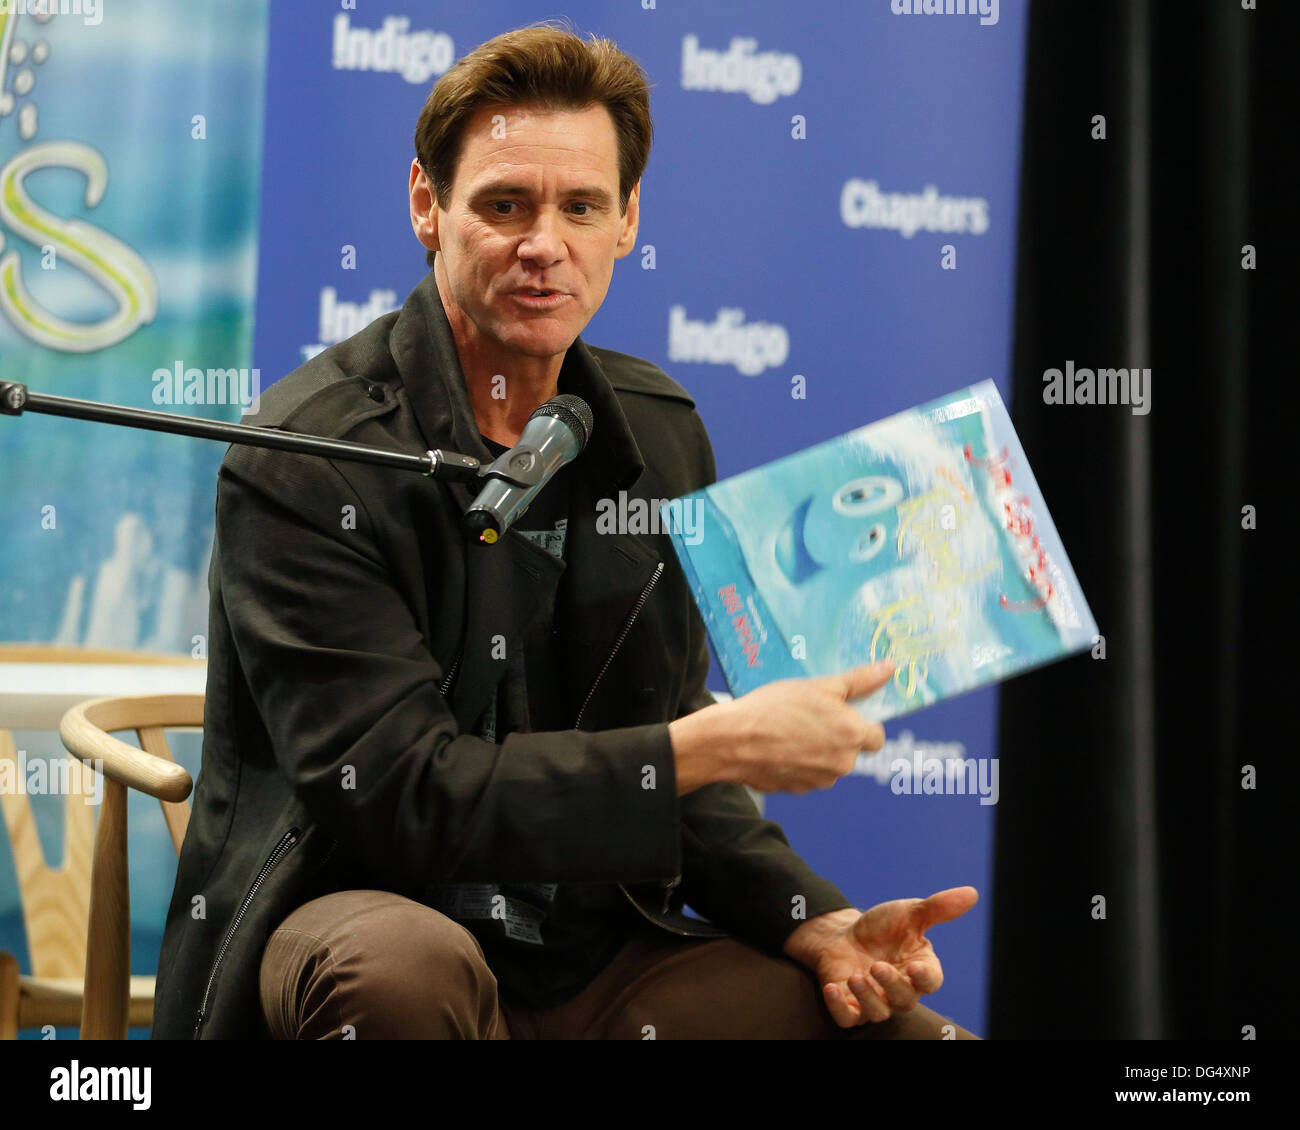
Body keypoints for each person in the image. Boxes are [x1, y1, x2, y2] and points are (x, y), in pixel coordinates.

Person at [151, 22, 980, 1041]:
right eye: (505, 204)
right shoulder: (310, 453)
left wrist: (817, 918)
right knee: (402, 975)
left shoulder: (659, 433)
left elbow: (677, 753)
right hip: (355, 917)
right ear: (427, 204)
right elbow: (398, 796)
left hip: (594, 957)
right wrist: (690, 748)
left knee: (909, 1037)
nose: (545, 243)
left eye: (581, 206)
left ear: (626, 220)